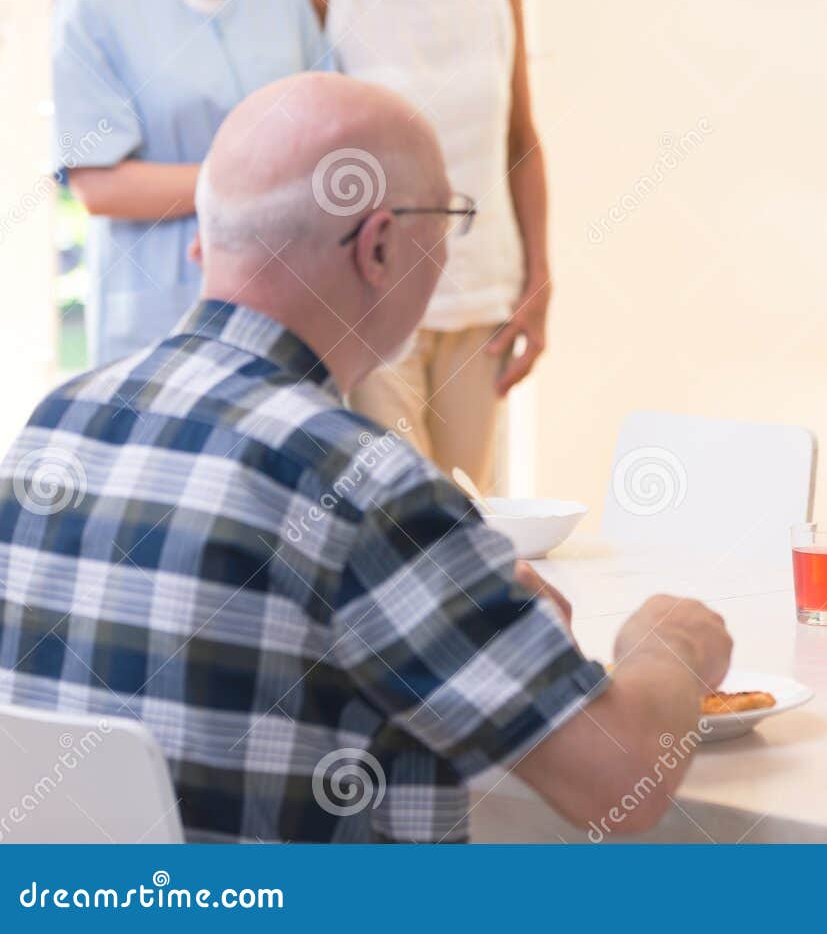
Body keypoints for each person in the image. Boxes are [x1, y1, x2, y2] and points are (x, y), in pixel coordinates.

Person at [0, 73, 730, 843]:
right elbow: (619, 778)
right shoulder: (365, 485)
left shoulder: (57, 424)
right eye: (449, 222)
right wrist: (667, 644)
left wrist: (468, 616)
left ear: (206, 240)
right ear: (380, 246)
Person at [288, 0, 551, 493]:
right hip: (371, 309)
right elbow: (294, 164)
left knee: (470, 510)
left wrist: (539, 281)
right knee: (397, 516)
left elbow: (520, 141)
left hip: (484, 295)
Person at [53, 0, 331, 365]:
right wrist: (252, 184)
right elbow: (99, 186)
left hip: (287, 311)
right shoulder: (93, 9)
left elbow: (330, 141)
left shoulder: (281, 2)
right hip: (156, 323)